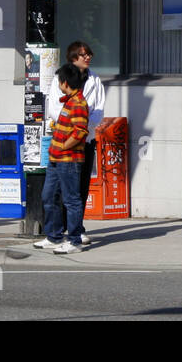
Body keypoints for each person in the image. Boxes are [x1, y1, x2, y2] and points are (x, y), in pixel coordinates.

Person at [34, 63, 89, 254]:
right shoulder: (68, 101)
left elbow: (80, 132)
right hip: (56, 159)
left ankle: (74, 241)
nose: (58, 83)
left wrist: (63, 147)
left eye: (59, 80)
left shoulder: (79, 103)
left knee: (71, 200)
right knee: (48, 196)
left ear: (65, 83)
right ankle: (54, 236)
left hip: (69, 160)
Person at [67, 40, 105, 246]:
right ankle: (58, 229)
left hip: (86, 139)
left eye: (89, 54)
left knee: (82, 185)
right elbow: (55, 106)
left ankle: (77, 228)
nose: (88, 57)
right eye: (84, 54)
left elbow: (99, 110)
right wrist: (75, 126)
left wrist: (84, 127)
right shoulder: (61, 78)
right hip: (65, 141)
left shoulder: (95, 80)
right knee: (63, 187)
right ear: (73, 57)